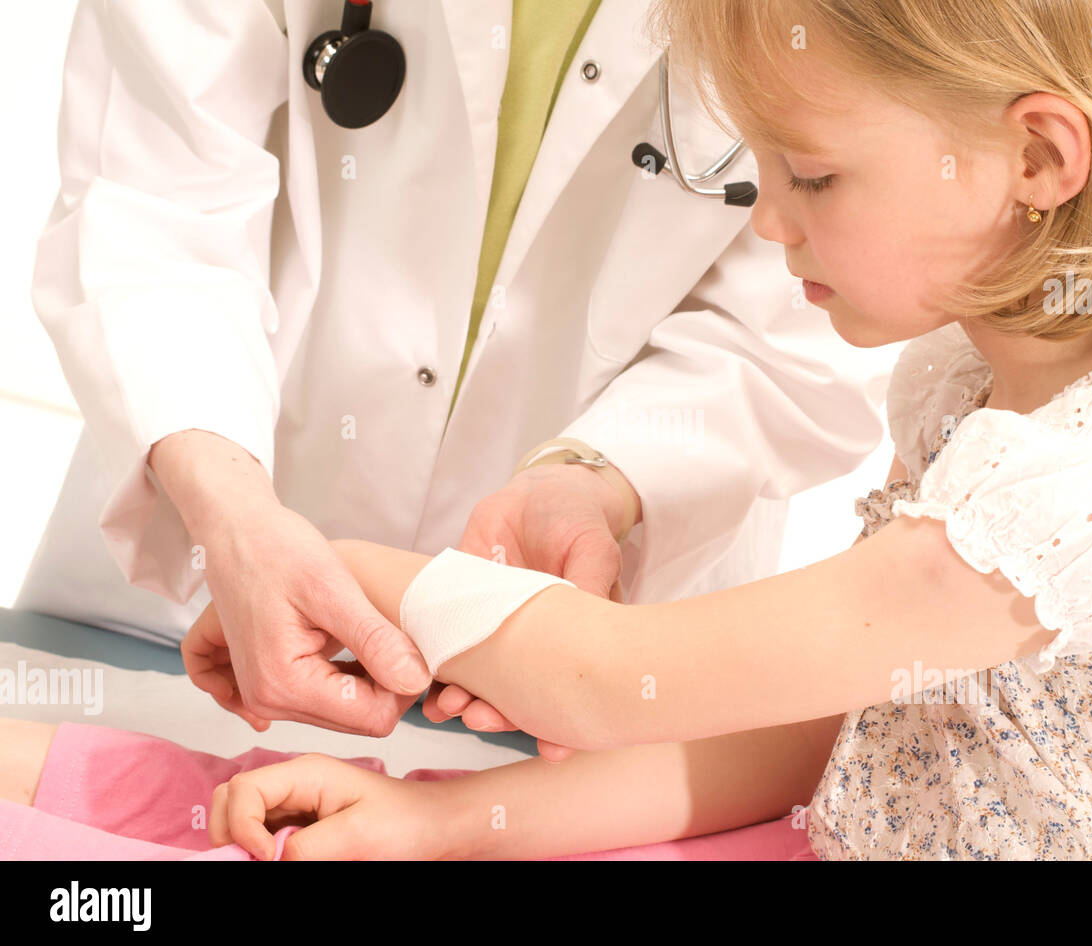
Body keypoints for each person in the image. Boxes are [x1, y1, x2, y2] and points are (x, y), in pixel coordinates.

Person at [3, 0, 1092, 861]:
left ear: (1037, 158)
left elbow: (614, 680)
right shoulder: (981, 372)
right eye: (763, 171)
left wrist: (338, 573)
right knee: (248, 819)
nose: (767, 220)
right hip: (789, 798)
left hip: (690, 744)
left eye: (810, 177)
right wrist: (435, 825)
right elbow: (841, 722)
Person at [16, 0, 880, 742]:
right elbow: (151, 202)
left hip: (580, 672)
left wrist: (593, 481)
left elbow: (794, 327)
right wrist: (232, 516)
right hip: (186, 606)